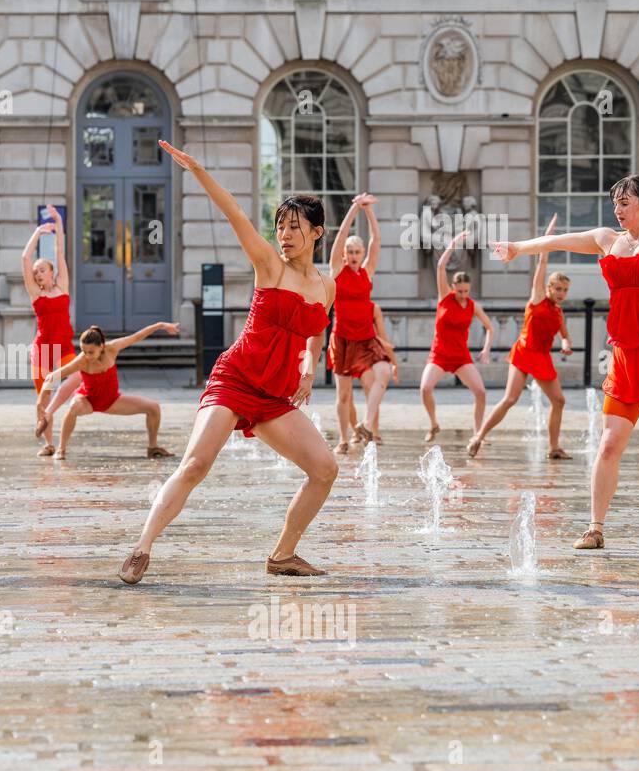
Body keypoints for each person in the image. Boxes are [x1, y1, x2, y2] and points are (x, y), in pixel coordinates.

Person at [118, 141, 336, 585]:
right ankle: (141, 548)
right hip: (235, 378)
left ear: (317, 232)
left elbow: (317, 329)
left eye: (294, 226)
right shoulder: (269, 266)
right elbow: (234, 212)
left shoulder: (325, 285)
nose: (284, 234)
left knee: (325, 469)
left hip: (274, 395)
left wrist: (309, 367)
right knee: (196, 464)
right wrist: (197, 169)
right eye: (280, 226)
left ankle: (283, 554)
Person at [491, 174, 639, 550]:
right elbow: (559, 241)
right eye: (615, 202)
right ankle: (595, 528)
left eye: (626, 203)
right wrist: (517, 247)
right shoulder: (608, 240)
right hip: (626, 354)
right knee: (609, 445)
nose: (618, 210)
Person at [468, 216, 573, 459]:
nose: (561, 293)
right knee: (510, 398)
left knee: (559, 401)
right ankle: (478, 436)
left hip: (542, 357)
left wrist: (566, 345)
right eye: (558, 289)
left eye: (565, 290)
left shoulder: (558, 312)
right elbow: (542, 262)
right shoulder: (537, 299)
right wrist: (549, 236)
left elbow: (565, 336)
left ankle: (553, 447)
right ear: (548, 288)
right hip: (524, 352)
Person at [37, 323, 177, 461]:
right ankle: (61, 449)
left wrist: (161, 325)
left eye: (91, 352)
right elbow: (52, 377)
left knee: (153, 408)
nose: (87, 355)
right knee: (74, 406)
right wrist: (41, 400)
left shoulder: (113, 348)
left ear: (101, 346)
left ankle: (153, 448)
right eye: (83, 351)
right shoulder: (82, 361)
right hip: (88, 401)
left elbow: (136, 337)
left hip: (112, 400)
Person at [327, 193, 391, 452]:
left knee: (380, 376)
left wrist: (369, 211)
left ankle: (368, 428)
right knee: (344, 395)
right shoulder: (337, 270)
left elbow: (377, 240)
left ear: (362, 253)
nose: (354, 255)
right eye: (350, 252)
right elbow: (341, 235)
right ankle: (344, 439)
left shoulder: (367, 271)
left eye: (357, 252)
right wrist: (354, 208)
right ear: (344, 254)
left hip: (366, 339)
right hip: (342, 339)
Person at [419, 230, 493, 442]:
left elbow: (490, 327)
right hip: (439, 355)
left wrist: (486, 348)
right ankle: (433, 424)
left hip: (461, 356)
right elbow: (441, 267)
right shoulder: (445, 298)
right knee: (425, 388)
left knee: (481, 392)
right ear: (453, 288)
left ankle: (478, 433)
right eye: (459, 291)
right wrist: (453, 244)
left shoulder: (472, 305)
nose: (462, 295)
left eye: (466, 291)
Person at [22, 205, 80, 456]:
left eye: (41, 270)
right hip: (43, 351)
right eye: (35, 273)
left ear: (52, 272)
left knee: (79, 377)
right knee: (41, 399)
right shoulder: (36, 295)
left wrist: (57, 222)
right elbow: (25, 259)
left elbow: (59, 251)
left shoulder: (63, 287)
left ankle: (53, 409)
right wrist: (36, 233)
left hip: (65, 349)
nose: (37, 274)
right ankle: (48, 443)